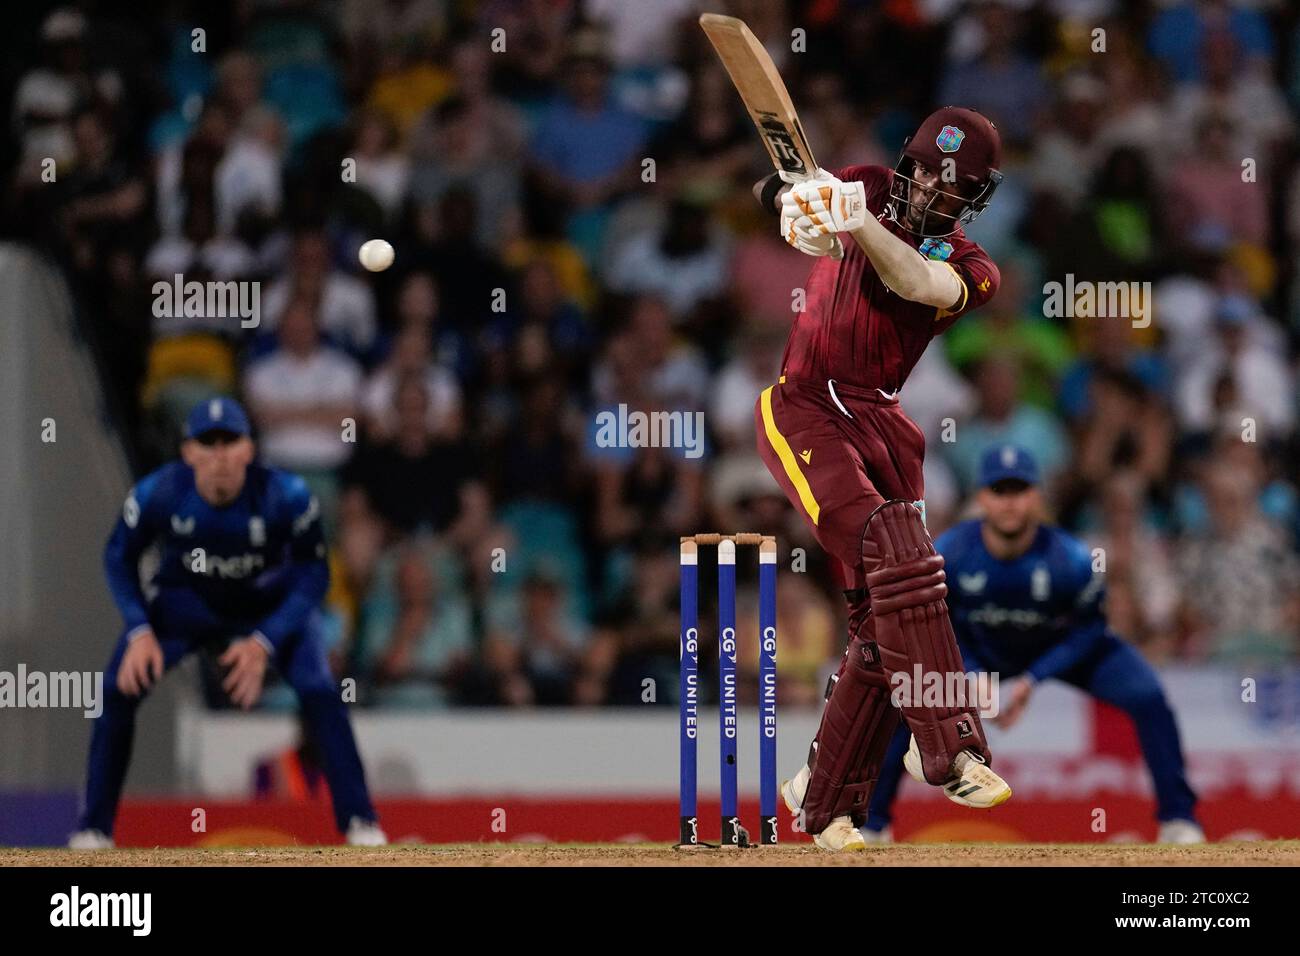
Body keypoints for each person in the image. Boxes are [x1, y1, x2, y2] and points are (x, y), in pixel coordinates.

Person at [749, 107, 1011, 850]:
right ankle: (952, 748)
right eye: (924, 166)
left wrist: (854, 221)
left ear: (974, 197)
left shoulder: (975, 269)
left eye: (948, 180)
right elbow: (786, 189)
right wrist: (793, 208)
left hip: (881, 424)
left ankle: (824, 795)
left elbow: (910, 275)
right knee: (901, 554)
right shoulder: (865, 183)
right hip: (802, 405)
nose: (928, 184)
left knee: (883, 617)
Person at [69, 398, 386, 848]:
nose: (219, 456)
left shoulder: (288, 496)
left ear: (249, 450)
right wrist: (139, 628)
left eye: (229, 441)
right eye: (207, 443)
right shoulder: (157, 493)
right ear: (188, 453)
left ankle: (360, 823)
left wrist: (265, 641)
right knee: (116, 689)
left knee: (319, 689)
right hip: (184, 607)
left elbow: (314, 574)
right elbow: (117, 557)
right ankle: (94, 830)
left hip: (265, 606)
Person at [863, 445, 1202, 844]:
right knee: (904, 702)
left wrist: (1032, 679)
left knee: (1148, 696)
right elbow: (933, 628)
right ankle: (873, 826)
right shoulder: (948, 554)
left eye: (1019, 490)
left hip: (1056, 652)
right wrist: (971, 675)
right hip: (975, 653)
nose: (1010, 503)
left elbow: (1090, 630)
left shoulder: (1072, 559)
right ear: (982, 498)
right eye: (999, 491)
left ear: (1036, 497)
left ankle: (1179, 821)